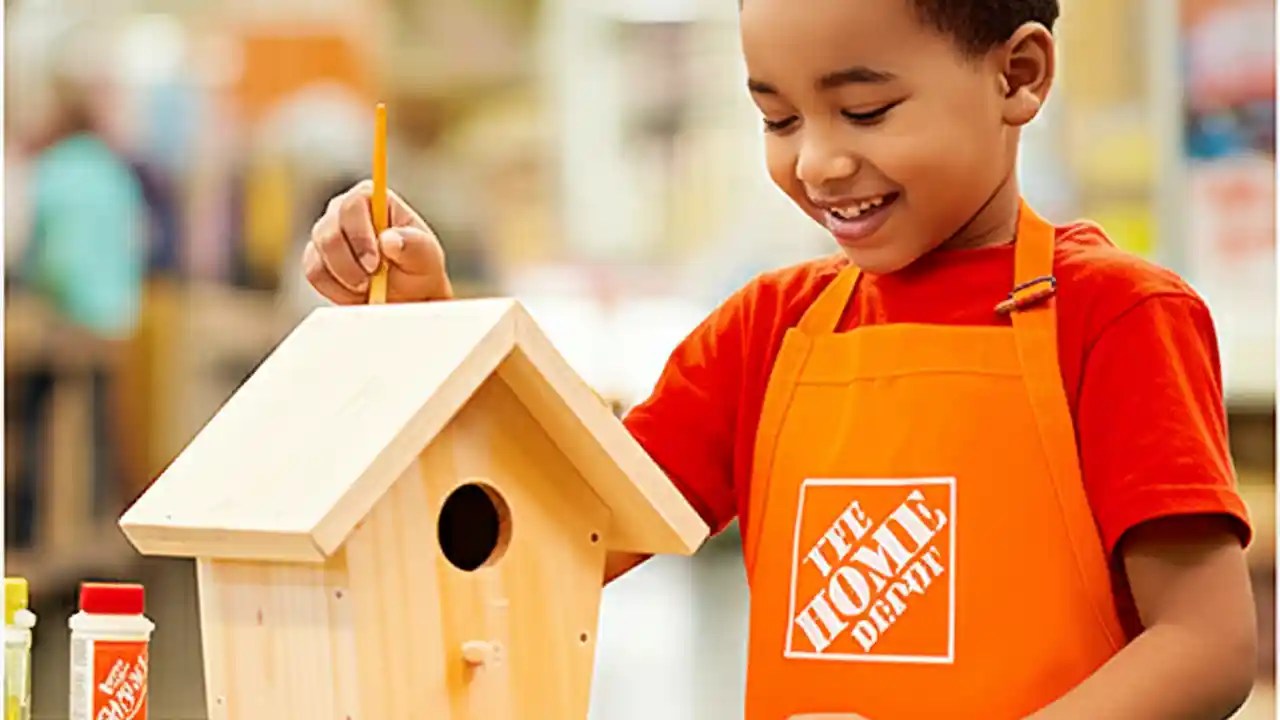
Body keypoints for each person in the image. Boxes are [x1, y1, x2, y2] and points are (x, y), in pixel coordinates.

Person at [302, 1, 1257, 718]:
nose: (817, 164)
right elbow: (561, 527)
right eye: (780, 120)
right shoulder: (766, 333)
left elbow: (1206, 647)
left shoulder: (1119, 318)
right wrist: (423, 324)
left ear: (1018, 75)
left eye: (866, 110)